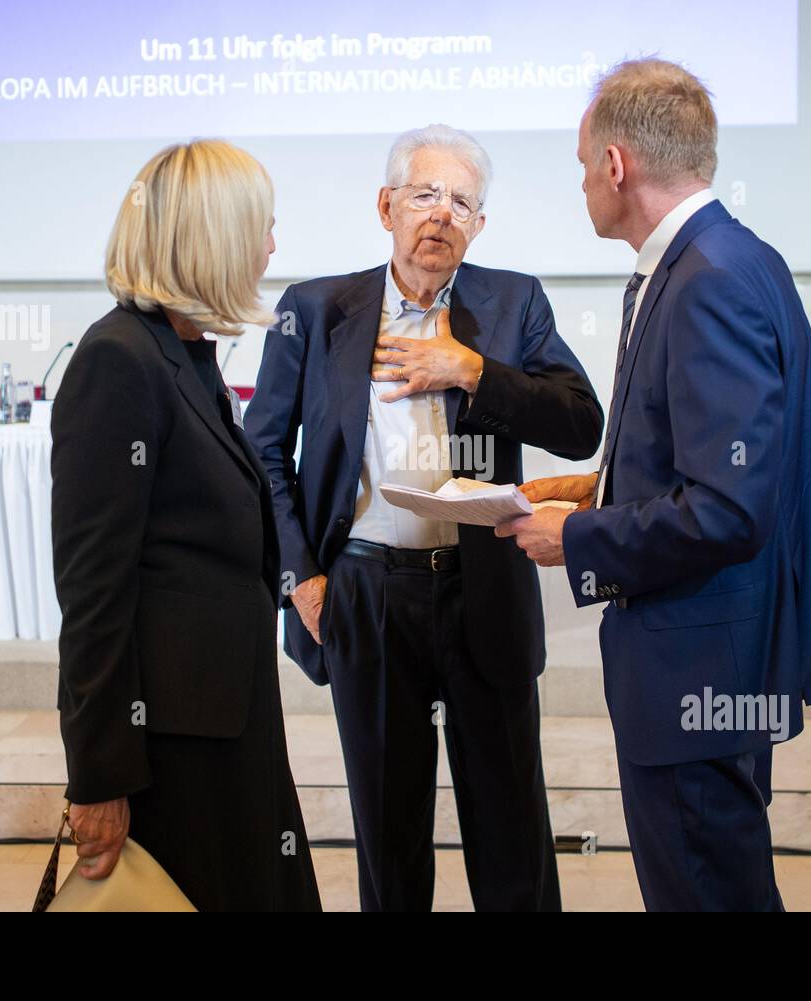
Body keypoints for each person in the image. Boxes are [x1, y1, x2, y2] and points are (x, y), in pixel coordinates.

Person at [498, 60, 811, 911]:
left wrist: (578, 540)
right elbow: (712, 459)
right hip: (715, 660)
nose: (583, 181)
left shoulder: (708, 281)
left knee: (705, 889)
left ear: (617, 165)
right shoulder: (732, 256)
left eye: (584, 162)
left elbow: (730, 507)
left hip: (700, 669)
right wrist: (599, 489)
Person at [244, 124, 603, 911]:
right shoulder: (316, 308)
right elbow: (261, 454)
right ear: (386, 207)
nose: (441, 214)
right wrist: (300, 577)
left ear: (480, 225)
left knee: (512, 832)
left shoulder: (513, 301)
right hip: (367, 598)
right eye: (423, 195)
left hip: (484, 592)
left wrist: (472, 370)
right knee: (389, 832)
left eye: (462, 202)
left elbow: (582, 423)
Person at [51, 139, 321, 912]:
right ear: (212, 237)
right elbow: (94, 595)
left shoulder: (183, 351)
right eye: (261, 226)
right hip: (170, 751)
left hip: (226, 726)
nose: (271, 245)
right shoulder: (119, 361)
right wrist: (98, 778)